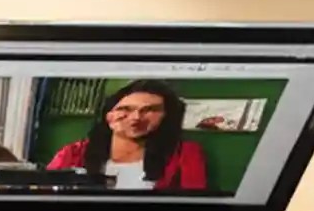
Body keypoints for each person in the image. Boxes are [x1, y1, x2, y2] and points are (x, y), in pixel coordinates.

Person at [46, 79, 207, 191]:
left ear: (166, 116)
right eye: (125, 109)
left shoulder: (185, 153)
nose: (136, 117)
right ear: (109, 115)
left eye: (149, 110)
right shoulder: (72, 153)